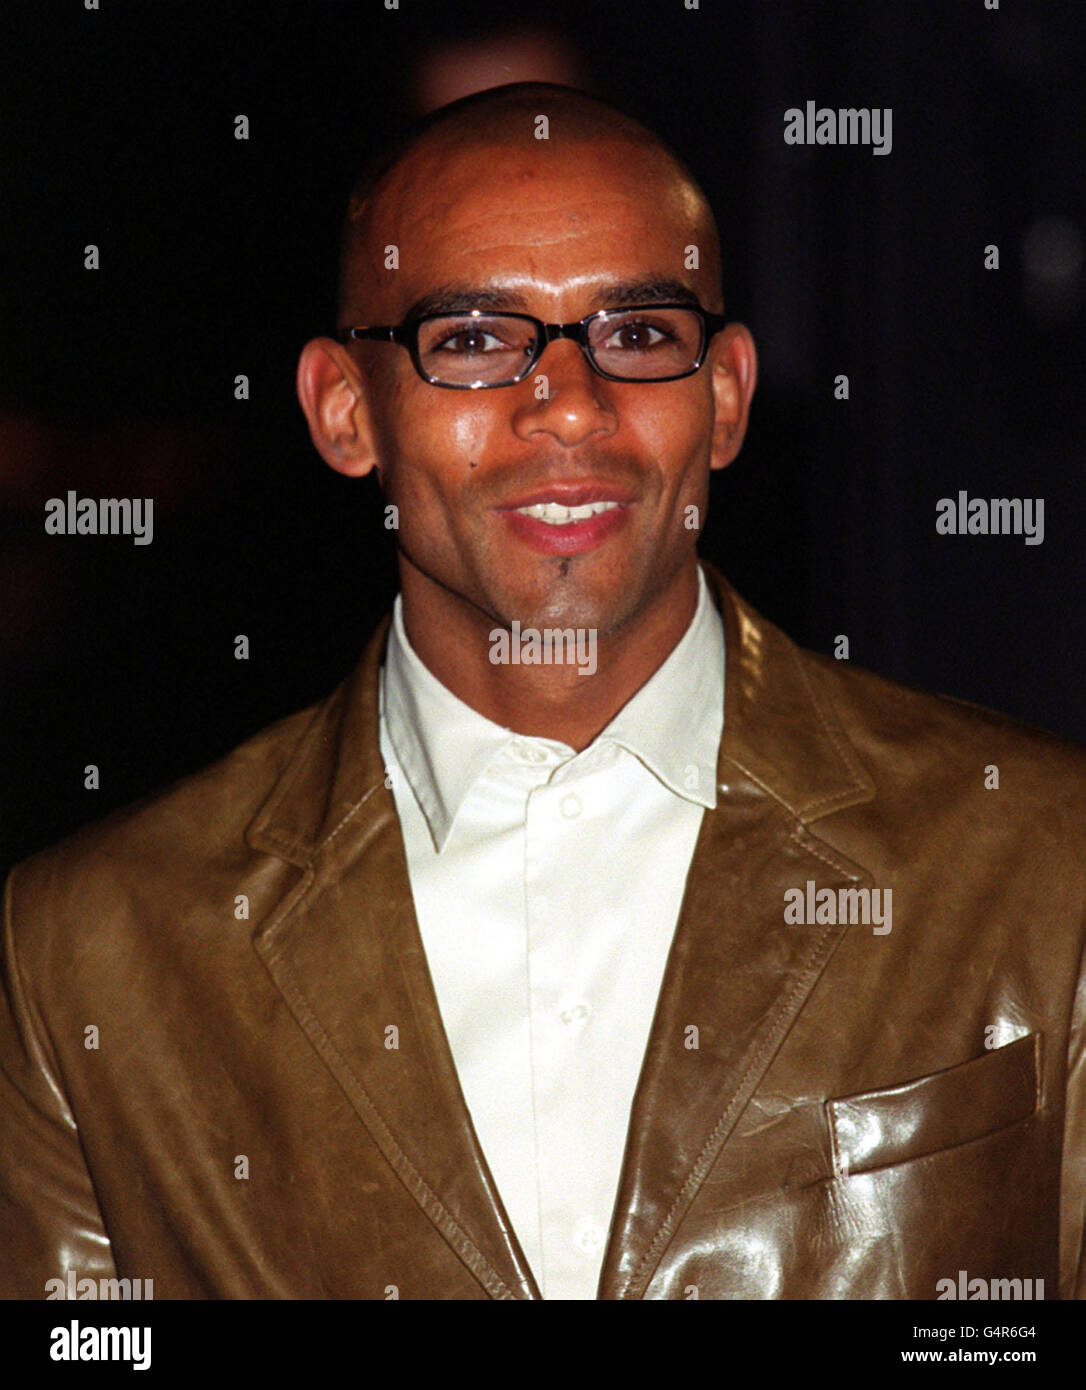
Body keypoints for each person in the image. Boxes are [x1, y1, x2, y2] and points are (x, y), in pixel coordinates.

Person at [2, 82, 1084, 1302]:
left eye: (637, 335)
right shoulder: (88, 952)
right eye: (471, 340)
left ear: (724, 394)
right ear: (345, 410)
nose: (569, 404)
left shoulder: (1044, 861)